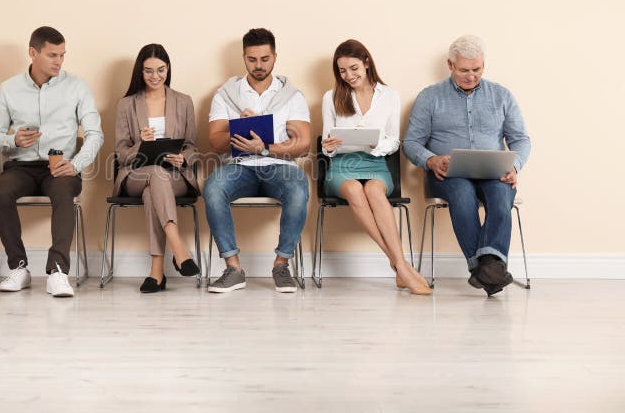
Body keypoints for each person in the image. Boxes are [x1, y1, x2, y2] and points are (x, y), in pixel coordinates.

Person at [403, 35, 531, 296]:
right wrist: (430, 159)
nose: (471, 76)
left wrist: (514, 165)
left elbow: (521, 140)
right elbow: (411, 142)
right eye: (464, 70)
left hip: (493, 172)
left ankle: (483, 269)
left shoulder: (502, 95)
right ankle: (491, 270)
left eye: (477, 69)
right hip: (447, 173)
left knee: (500, 196)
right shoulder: (430, 97)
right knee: (462, 195)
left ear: (484, 65)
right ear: (450, 65)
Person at [0, 26, 103, 297]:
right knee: (0, 191)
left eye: (62, 55)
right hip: (22, 167)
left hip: (61, 166)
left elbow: (95, 133)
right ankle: (18, 268)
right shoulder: (8, 89)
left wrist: (76, 163)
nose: (59, 61)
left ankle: (57, 271)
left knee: (63, 191)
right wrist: (13, 140)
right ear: (32, 53)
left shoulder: (77, 86)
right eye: (52, 55)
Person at [204, 28, 311, 293]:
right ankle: (233, 268)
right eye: (252, 59)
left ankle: (281, 265)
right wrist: (238, 127)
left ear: (275, 56)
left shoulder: (292, 96)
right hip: (239, 167)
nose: (259, 65)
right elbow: (215, 144)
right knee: (213, 187)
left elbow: (303, 143)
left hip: (279, 167)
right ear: (244, 57)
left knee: (298, 188)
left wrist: (265, 147)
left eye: (265, 59)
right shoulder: (226, 95)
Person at [321, 39, 431, 295]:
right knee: (353, 189)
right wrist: (330, 145)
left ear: (367, 63)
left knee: (373, 191)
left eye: (354, 68)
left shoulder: (389, 95)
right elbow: (327, 145)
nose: (348, 75)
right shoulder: (331, 97)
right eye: (342, 70)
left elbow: (393, 140)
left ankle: (400, 266)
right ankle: (401, 266)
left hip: (376, 163)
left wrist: (373, 147)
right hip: (342, 166)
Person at [113, 44, 202, 293]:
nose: (155, 76)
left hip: (174, 175)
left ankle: (156, 271)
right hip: (135, 173)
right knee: (154, 173)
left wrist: (182, 158)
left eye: (161, 70)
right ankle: (179, 249)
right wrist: (141, 144)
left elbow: (193, 147)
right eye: (149, 71)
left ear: (168, 69)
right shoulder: (126, 104)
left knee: (155, 184)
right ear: (140, 72)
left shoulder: (183, 102)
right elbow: (120, 154)